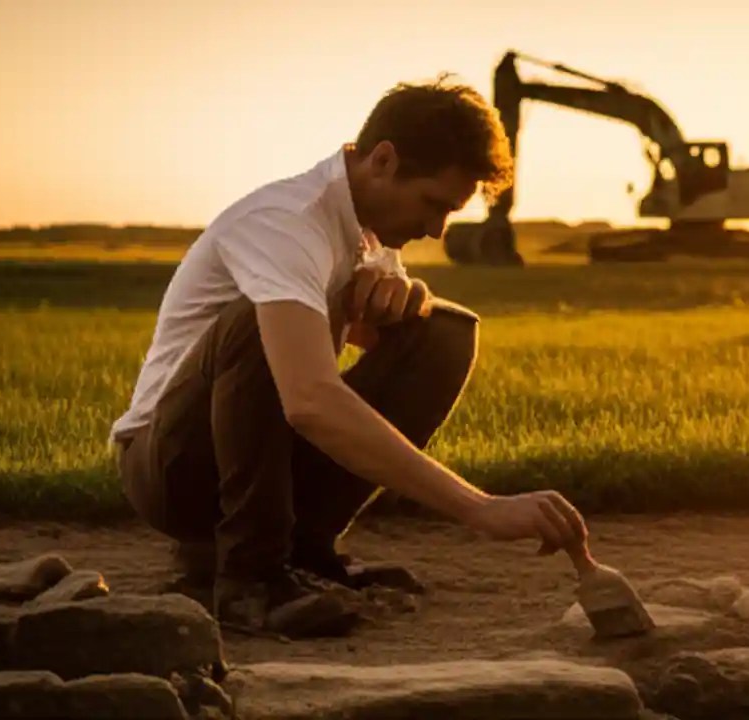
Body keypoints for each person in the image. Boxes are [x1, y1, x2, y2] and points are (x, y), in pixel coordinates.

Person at [110, 74, 589, 638]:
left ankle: (303, 551)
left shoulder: (369, 235)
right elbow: (310, 399)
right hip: (168, 469)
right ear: (383, 161)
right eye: (433, 204)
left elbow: (365, 351)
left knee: (443, 332)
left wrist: (399, 311)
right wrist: (477, 507)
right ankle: (250, 576)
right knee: (264, 324)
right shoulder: (285, 223)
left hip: (253, 461)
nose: (436, 229)